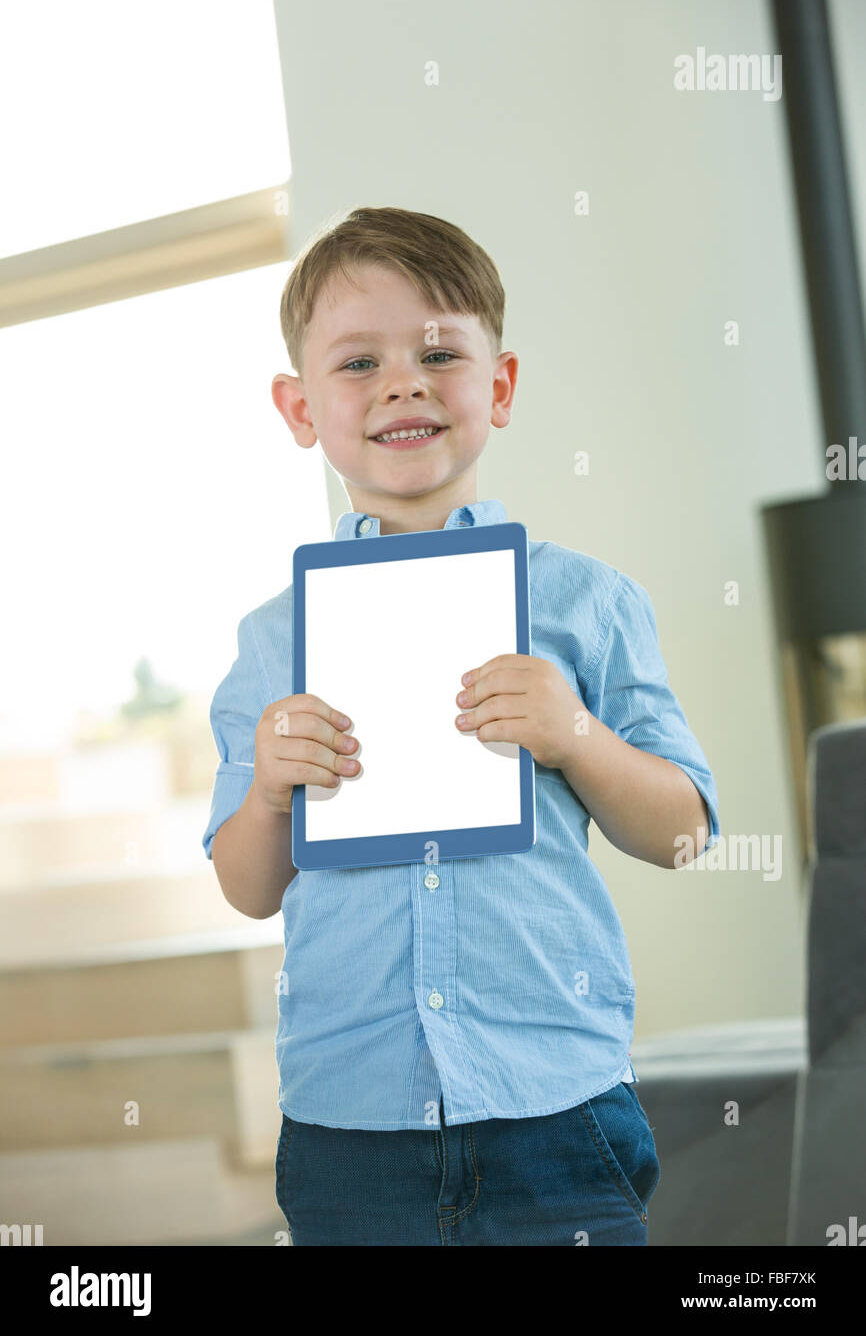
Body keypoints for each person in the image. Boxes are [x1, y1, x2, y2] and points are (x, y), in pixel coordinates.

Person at [202, 206, 720, 1246]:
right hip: (350, 1122)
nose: (403, 381)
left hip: (555, 1106)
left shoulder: (588, 602)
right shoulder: (270, 643)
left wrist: (574, 733)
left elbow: (683, 832)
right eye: (359, 362)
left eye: (438, 351)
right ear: (299, 408)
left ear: (499, 385)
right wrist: (266, 791)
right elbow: (248, 887)